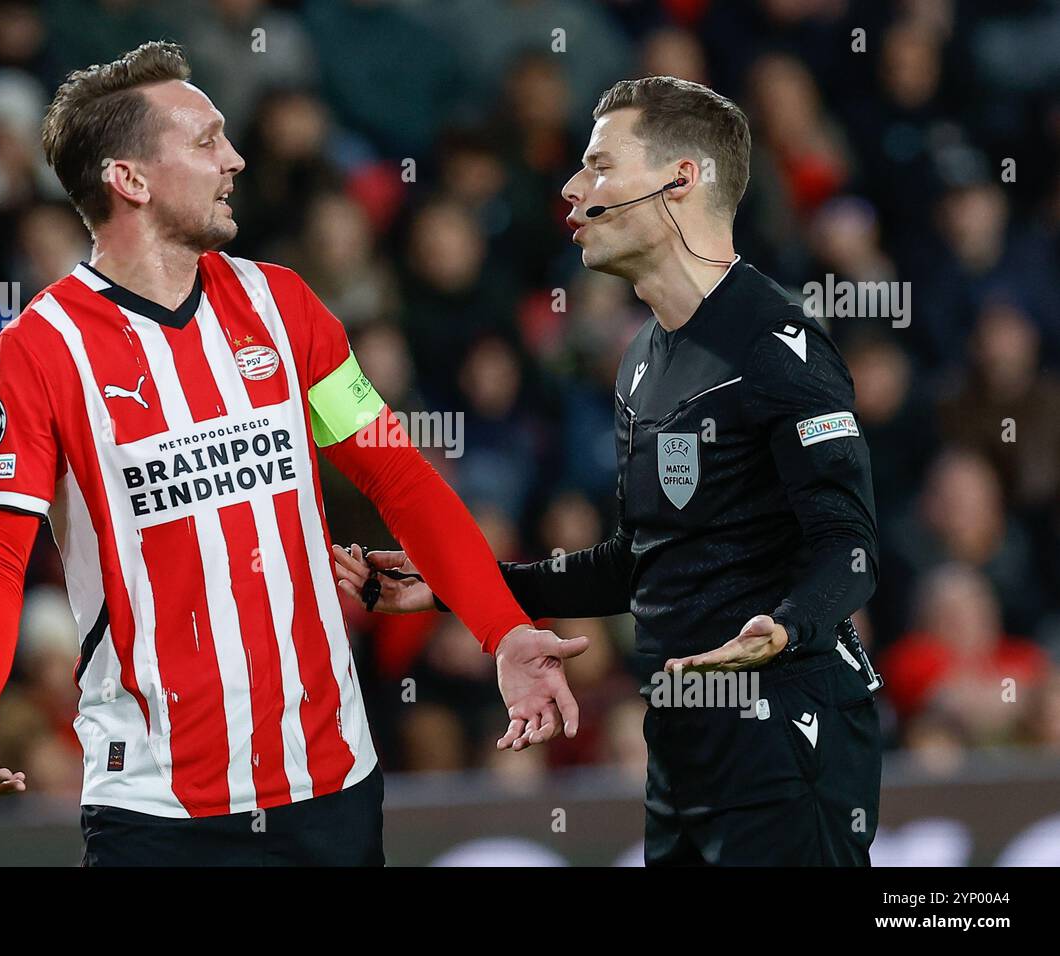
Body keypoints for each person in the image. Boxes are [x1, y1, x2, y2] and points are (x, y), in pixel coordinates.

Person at [0, 41, 587, 867]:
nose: (234, 159)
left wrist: (504, 630)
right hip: (156, 801)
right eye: (205, 142)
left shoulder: (283, 303)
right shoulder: (34, 354)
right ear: (130, 179)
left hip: (330, 782)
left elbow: (398, 474)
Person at [335, 76, 884, 866]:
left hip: (789, 727)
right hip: (684, 742)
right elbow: (641, 561)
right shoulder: (640, 362)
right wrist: (465, 585)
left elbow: (850, 546)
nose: (572, 187)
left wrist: (787, 626)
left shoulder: (778, 344)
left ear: (681, 179)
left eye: (599, 166)